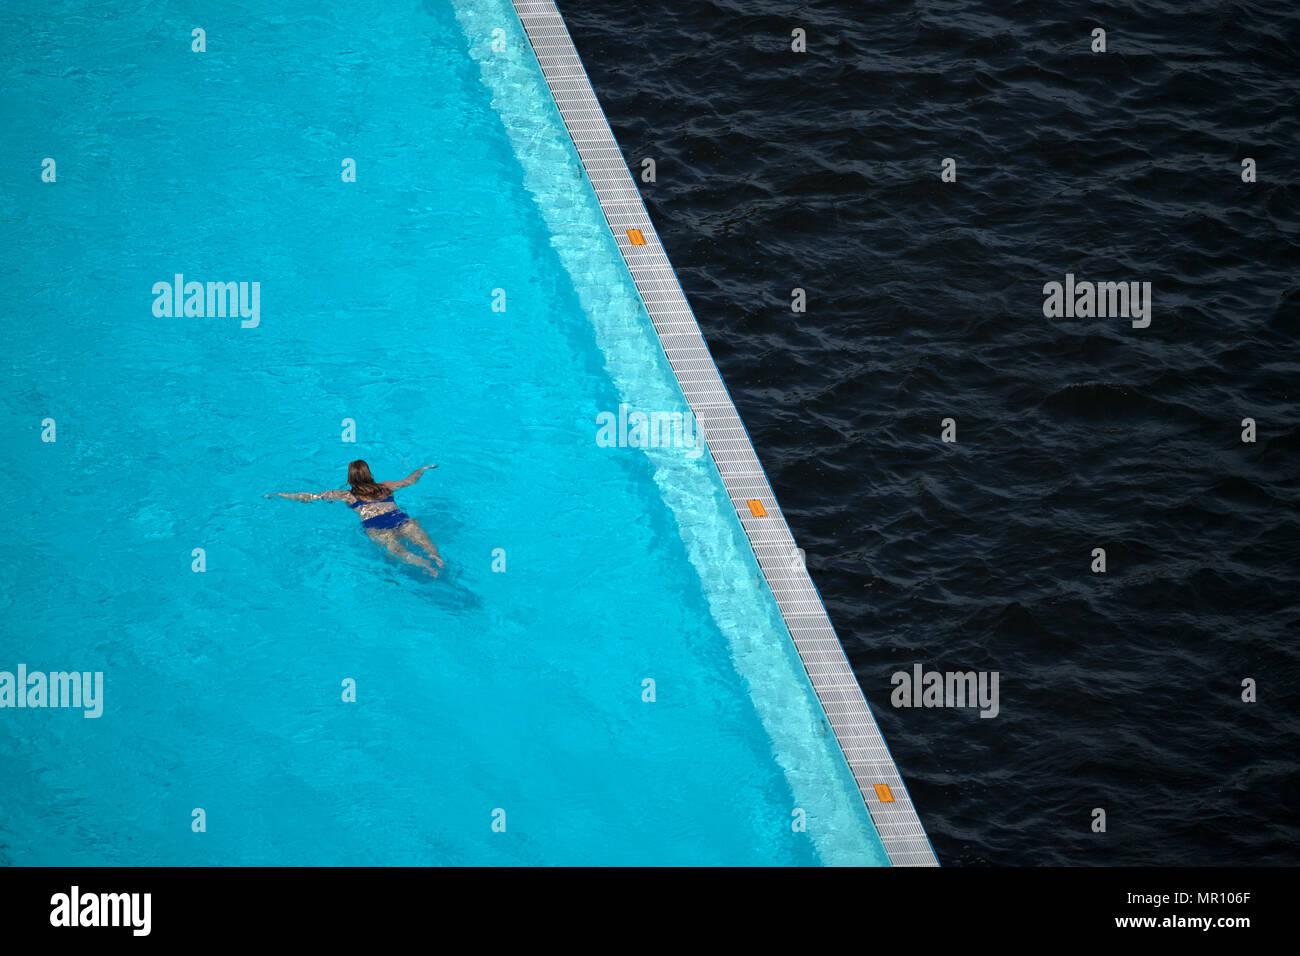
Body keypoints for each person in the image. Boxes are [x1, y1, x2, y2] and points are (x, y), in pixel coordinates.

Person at [267, 460, 445, 576]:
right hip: (399, 519)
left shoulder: (346, 495)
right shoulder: (386, 487)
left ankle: (425, 565)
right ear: (369, 474)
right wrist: (422, 469)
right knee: (424, 542)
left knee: (399, 553)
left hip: (377, 528)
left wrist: (280, 495)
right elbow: (410, 480)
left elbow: (310, 497)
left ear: (350, 478)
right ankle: (435, 557)